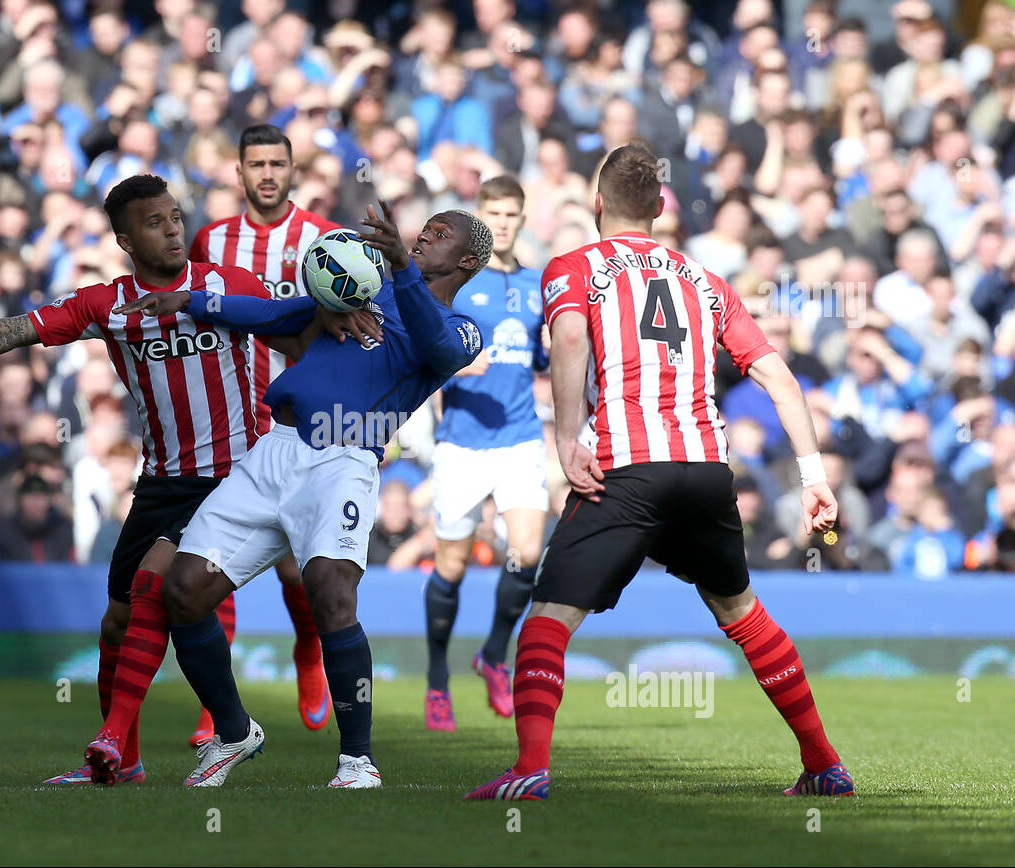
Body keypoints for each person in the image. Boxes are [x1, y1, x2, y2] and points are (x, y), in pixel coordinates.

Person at [0, 175, 375, 785]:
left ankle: (128, 737)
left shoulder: (224, 285)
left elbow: (293, 333)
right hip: (161, 480)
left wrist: (341, 325)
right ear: (125, 238)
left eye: (175, 218)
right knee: (115, 621)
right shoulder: (107, 305)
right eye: (155, 223)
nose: (173, 231)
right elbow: (14, 330)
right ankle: (125, 761)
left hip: (236, 470)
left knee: (157, 584)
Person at [466, 144, 852, 801]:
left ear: (596, 205)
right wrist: (814, 474)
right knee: (742, 611)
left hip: (627, 469)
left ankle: (531, 768)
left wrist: (564, 440)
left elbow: (568, 342)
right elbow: (778, 376)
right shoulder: (705, 279)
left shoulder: (575, 267)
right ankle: (824, 765)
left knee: (547, 619)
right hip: (704, 471)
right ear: (660, 207)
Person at [91, 200, 491, 789]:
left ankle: (357, 760)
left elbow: (436, 347)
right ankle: (233, 733)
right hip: (273, 449)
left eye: (440, 235)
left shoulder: (461, 328)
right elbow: (274, 314)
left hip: (343, 461)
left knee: (330, 595)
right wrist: (192, 301)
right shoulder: (365, 291)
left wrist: (403, 267)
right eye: (424, 229)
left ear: (469, 260)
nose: (425, 237)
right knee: (184, 590)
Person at [186, 123, 341, 742]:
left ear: (293, 169)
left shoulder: (323, 240)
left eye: (278, 162)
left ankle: (309, 651)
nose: (268, 174)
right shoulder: (210, 241)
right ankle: (214, 706)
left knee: (293, 571)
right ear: (239, 172)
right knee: (210, 557)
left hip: (297, 425)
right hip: (225, 420)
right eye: (257, 164)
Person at [423, 174, 549, 730]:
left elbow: (541, 358)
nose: (502, 222)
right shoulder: (454, 281)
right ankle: (436, 680)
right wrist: (451, 361)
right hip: (463, 442)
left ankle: (494, 654)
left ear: (523, 219)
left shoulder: (538, 283)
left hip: (521, 436)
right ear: (480, 217)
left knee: (526, 552)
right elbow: (421, 351)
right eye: (493, 213)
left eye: (511, 214)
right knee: (449, 566)